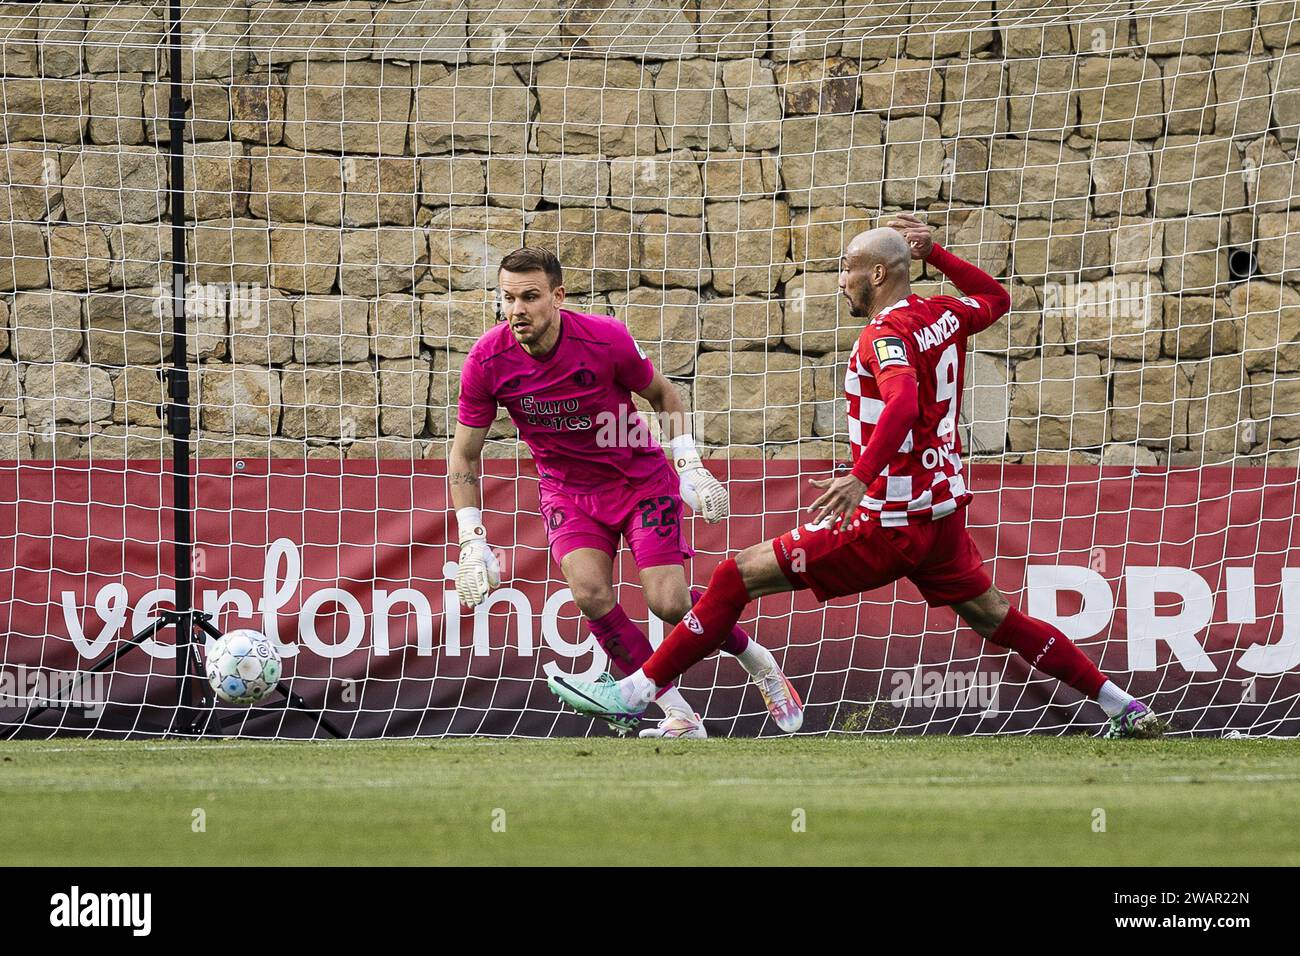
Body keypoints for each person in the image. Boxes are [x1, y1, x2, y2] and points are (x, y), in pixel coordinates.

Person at [549, 215, 1163, 740]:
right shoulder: (941, 313)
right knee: (997, 619)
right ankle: (1123, 705)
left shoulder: (885, 334)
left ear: (876, 274)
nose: (839, 279)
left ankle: (637, 691)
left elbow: (898, 403)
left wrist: (861, 477)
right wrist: (938, 255)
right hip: (939, 512)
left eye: (846, 268)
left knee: (736, 575)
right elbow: (996, 300)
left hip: (886, 517)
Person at [450, 247, 804, 738]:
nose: (517, 310)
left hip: (640, 484)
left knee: (669, 603)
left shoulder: (603, 338)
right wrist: (472, 538)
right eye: (507, 298)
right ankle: (679, 715)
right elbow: (464, 455)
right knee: (591, 595)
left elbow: (664, 396)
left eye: (530, 297)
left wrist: (691, 467)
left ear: (558, 296)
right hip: (567, 493)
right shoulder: (487, 360)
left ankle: (759, 662)